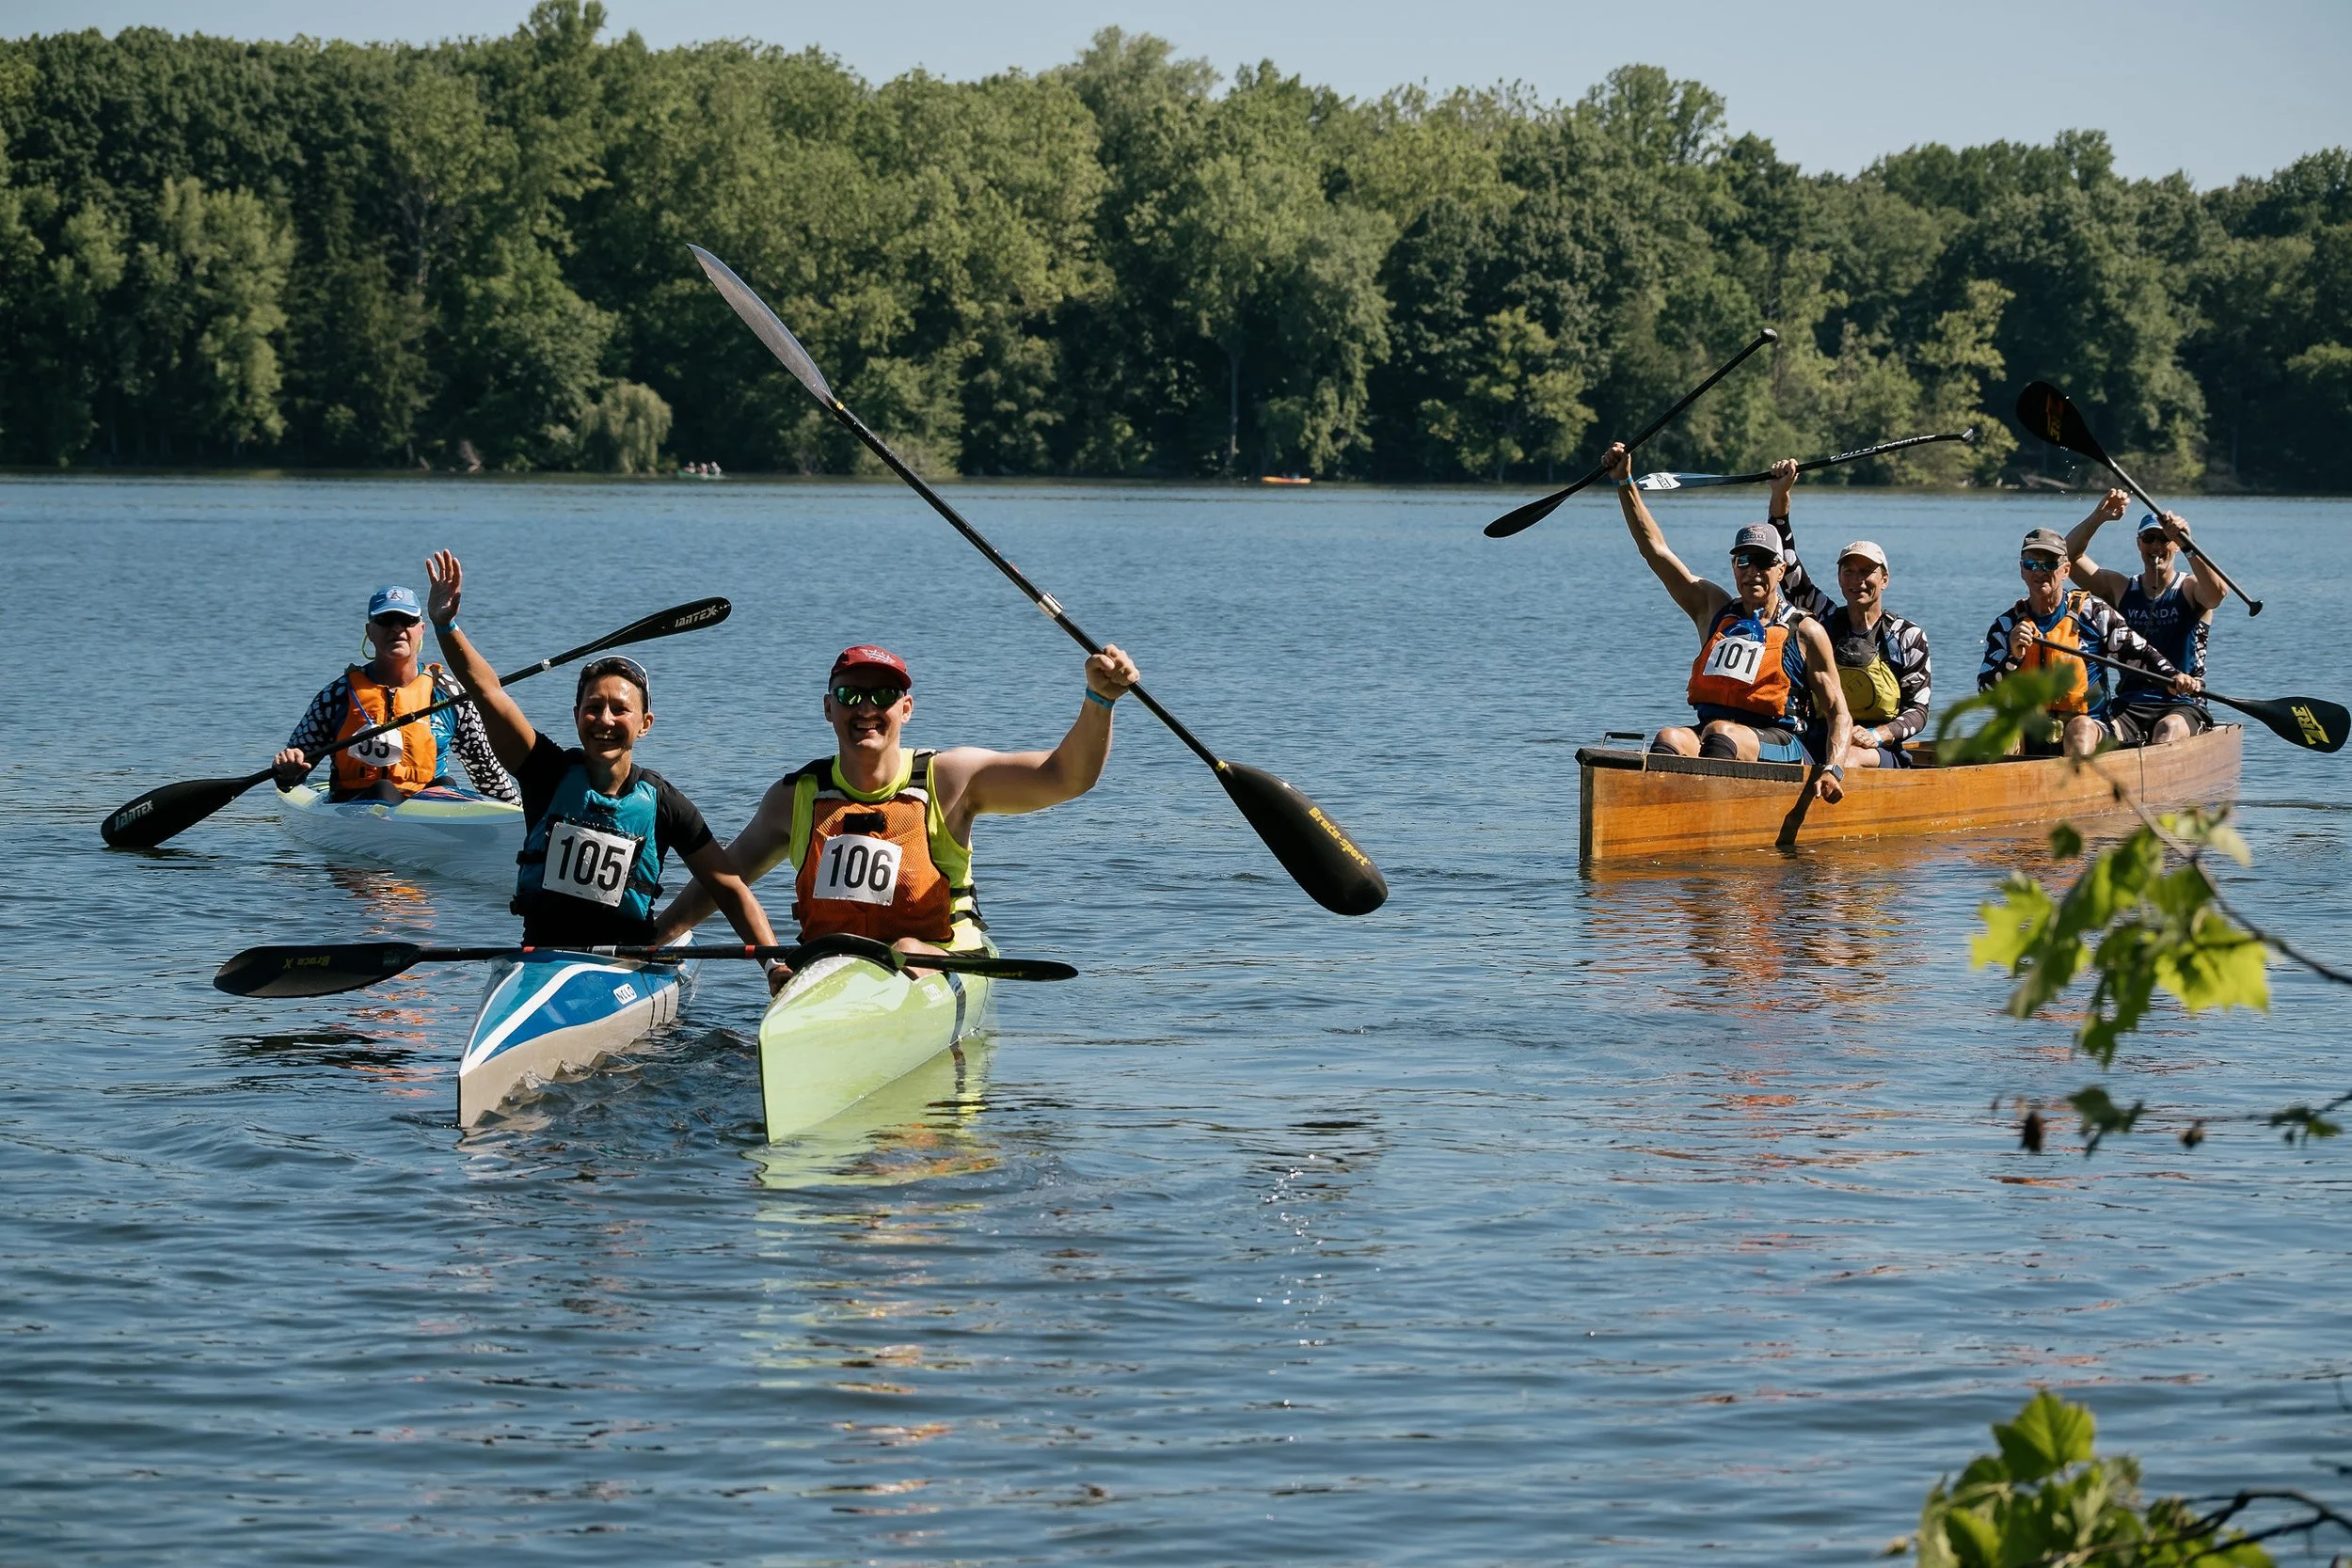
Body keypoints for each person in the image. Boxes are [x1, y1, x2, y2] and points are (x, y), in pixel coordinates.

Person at [650, 640, 1141, 974]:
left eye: (883, 695)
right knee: (822, 956)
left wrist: (1098, 700)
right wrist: (656, 940)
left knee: (906, 950)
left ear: (905, 709)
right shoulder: (795, 797)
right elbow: (723, 882)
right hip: (835, 964)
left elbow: (1065, 778)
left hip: (939, 958)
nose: (866, 708)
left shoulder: (951, 777)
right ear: (828, 708)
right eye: (850, 695)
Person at [420, 550, 783, 964]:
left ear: (645, 723)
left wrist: (773, 963)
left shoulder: (665, 804)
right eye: (593, 707)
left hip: (624, 967)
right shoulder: (544, 770)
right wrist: (445, 625)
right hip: (539, 960)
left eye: (619, 709)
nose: (604, 720)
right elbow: (487, 692)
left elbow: (730, 889)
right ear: (575, 716)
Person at [1607, 442, 1851, 800]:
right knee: (1669, 737)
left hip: (1783, 742)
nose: (1752, 572)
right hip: (1714, 734)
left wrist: (1834, 769)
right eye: (1743, 562)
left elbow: (1839, 714)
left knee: (1722, 732)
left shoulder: (1806, 631)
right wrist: (1624, 482)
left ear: (1781, 569)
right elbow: (1655, 551)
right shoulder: (1713, 608)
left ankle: (1708, 820)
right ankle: (1654, 816)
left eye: (1764, 562)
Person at [272, 584, 518, 805]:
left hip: (430, 806)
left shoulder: (450, 694)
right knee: (383, 790)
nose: (397, 629)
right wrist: (288, 771)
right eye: (386, 621)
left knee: (446, 785)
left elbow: (485, 768)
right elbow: (292, 775)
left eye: (407, 621)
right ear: (370, 631)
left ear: (422, 629)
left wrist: (520, 815)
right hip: (353, 802)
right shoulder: (335, 696)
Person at [1765, 458, 1932, 768]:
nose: (1858, 580)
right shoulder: (1824, 618)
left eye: (1868, 571)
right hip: (1818, 737)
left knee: (1848, 757)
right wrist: (1780, 497)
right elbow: (1785, 565)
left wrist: (1879, 734)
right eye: (1849, 572)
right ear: (1840, 578)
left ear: (1885, 579)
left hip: (1875, 750)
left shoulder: (1907, 636)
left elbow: (1919, 711)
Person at [1976, 527, 2199, 758]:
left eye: (2050, 564)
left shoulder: (2093, 613)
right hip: (2031, 729)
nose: (2040, 572)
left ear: (2066, 570)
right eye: (2032, 564)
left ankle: (2079, 787)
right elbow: (1987, 692)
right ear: (2022, 570)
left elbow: (2141, 653)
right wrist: (2014, 657)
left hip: (2091, 726)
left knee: (2079, 729)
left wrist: (2173, 676)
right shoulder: (2005, 626)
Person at [2063, 489, 2225, 747]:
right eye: (2149, 539)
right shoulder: (2120, 588)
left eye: (2165, 539)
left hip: (2183, 704)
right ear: (2139, 543)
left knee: (2166, 730)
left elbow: (2216, 595)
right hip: (2129, 704)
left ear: (2175, 544)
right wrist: (2099, 517)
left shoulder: (2191, 588)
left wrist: (2188, 544)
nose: (2157, 547)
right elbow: (2068, 558)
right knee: (2081, 729)